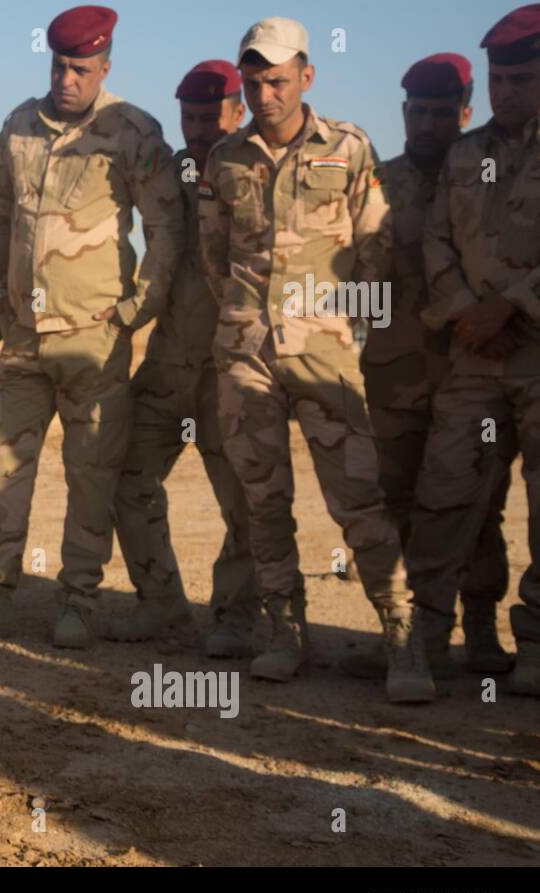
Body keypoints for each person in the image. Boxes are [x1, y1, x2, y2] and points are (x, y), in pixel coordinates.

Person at [0, 4, 183, 648]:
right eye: (59, 65)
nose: (67, 78)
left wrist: (132, 314)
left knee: (91, 472)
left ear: (104, 66)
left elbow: (165, 231)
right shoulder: (18, 126)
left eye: (80, 68)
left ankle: (78, 602)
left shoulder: (132, 130)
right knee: (4, 469)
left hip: (94, 340)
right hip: (22, 335)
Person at [198, 17, 429, 703]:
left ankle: (400, 630)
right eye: (253, 80)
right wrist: (249, 320)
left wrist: (333, 322)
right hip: (246, 354)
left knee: (358, 498)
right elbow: (215, 258)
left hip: (325, 351)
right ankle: (282, 626)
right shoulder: (225, 160)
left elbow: (375, 249)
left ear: (306, 75)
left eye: (276, 79)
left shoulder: (350, 149)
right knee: (263, 500)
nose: (264, 93)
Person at [343, 53, 514, 681]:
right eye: (419, 112)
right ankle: (406, 637)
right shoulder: (378, 186)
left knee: (479, 503)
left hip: (473, 370)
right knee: (399, 502)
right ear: (404, 113)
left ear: (465, 113)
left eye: (444, 113)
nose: (430, 124)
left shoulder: (490, 179)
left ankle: (482, 631)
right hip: (394, 374)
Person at [405, 4, 540, 697]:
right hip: (474, 360)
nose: (506, 92)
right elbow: (436, 242)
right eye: (497, 79)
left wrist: (514, 303)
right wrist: (465, 310)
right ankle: (425, 638)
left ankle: (536, 644)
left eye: (520, 79)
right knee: (446, 492)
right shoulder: (466, 155)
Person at [109, 59, 260, 655]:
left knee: (246, 500)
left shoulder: (255, 169)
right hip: (171, 366)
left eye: (209, 116)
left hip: (232, 370)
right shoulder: (170, 170)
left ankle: (237, 617)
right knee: (128, 477)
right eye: (188, 117)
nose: (197, 128)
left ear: (237, 110)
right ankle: (163, 606)